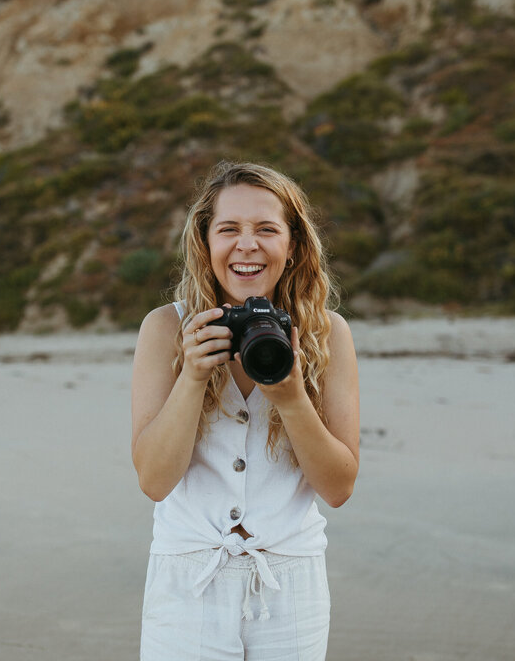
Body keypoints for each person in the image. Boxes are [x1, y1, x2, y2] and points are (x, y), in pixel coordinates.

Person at [131, 160, 360, 660]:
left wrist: (292, 397)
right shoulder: (166, 330)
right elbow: (154, 481)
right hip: (187, 579)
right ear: (206, 241)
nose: (247, 245)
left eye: (266, 229)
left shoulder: (328, 334)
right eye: (229, 229)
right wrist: (192, 376)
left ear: (293, 244)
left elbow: (339, 488)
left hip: (290, 582)